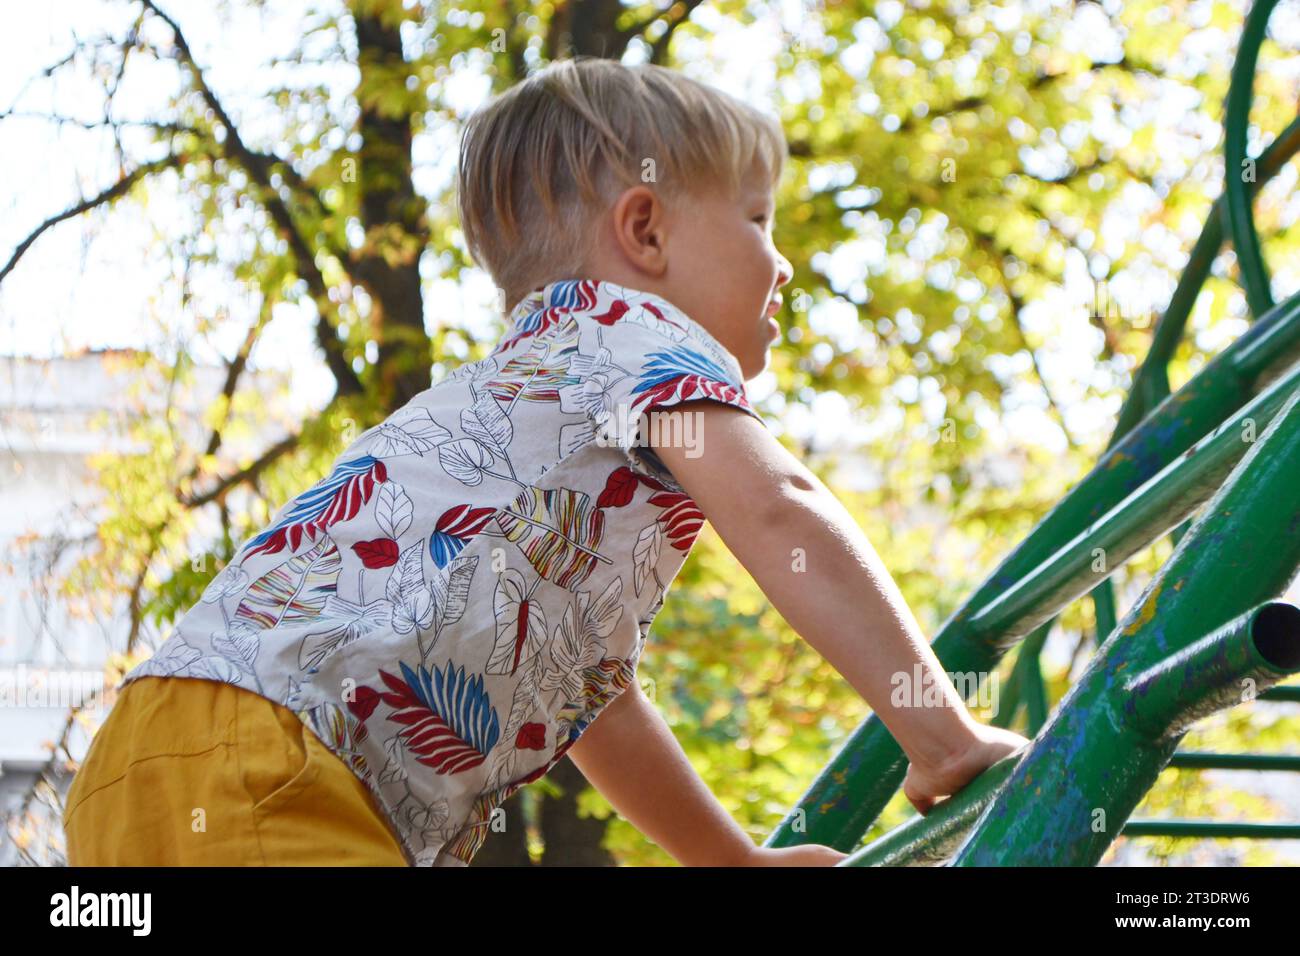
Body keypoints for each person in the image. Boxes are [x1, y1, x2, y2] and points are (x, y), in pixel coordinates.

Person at [62, 56, 1028, 868]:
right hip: (273, 765)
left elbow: (587, 703)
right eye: (757, 219)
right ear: (645, 230)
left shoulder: (534, 408)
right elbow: (780, 509)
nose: (781, 263)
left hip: (148, 768)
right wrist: (937, 731)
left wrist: (729, 861)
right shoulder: (634, 332)